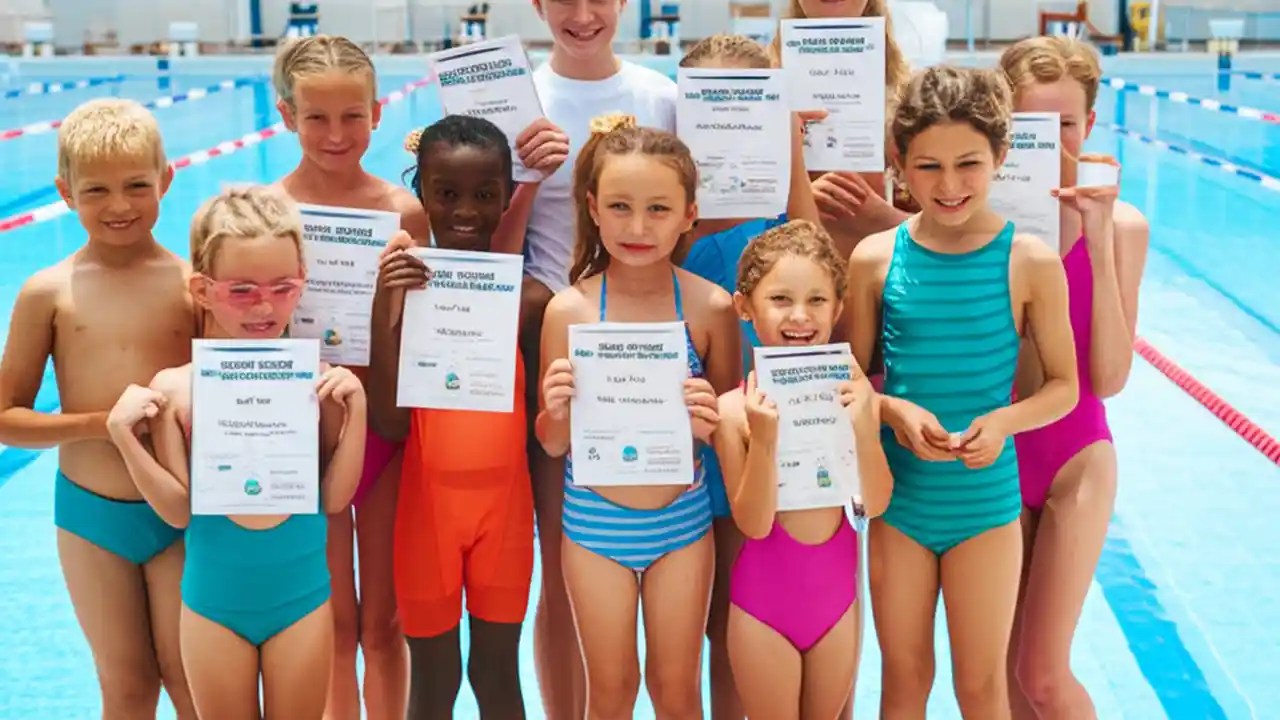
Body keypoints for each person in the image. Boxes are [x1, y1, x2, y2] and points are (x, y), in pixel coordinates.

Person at [844, 65, 1079, 719]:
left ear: (1001, 156)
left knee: (980, 689)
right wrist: (891, 408)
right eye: (928, 167)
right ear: (899, 163)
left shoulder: (1029, 260)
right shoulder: (875, 258)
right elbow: (852, 378)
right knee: (905, 680)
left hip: (985, 506)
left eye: (968, 163)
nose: (949, 186)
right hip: (901, 504)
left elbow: (1064, 386)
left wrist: (1004, 422)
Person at [106, 185, 366, 719]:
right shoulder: (178, 388)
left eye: (283, 287)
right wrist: (123, 437)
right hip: (213, 607)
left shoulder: (317, 382)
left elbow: (335, 500)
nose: (265, 306)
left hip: (302, 601)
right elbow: (178, 511)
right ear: (203, 290)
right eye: (242, 290)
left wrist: (356, 409)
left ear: (303, 285)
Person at [536, 114, 740, 718]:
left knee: (677, 690)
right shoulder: (568, 311)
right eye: (621, 207)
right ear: (593, 208)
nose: (638, 226)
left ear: (688, 215)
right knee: (612, 690)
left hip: (682, 525)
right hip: (595, 528)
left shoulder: (709, 305)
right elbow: (551, 445)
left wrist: (714, 421)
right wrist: (554, 410)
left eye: (658, 209)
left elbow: (733, 432)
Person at [0, 98, 197, 719]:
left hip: (182, 514)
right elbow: (7, 417)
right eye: (97, 190)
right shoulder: (47, 293)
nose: (119, 206)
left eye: (138, 185)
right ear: (65, 193)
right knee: (127, 684)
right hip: (91, 517)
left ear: (166, 179)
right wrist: (102, 427)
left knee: (190, 679)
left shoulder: (192, 286)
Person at [366, 114, 559, 719]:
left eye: (484, 194)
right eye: (447, 194)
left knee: (497, 673)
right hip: (426, 518)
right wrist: (382, 304)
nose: (467, 211)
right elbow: (392, 423)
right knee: (435, 681)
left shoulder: (531, 303)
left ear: (508, 195)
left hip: (504, 517)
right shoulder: (404, 288)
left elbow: (543, 432)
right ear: (421, 191)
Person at [520, 3, 681, 714]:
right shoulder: (515, 100)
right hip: (553, 340)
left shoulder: (662, 97)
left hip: (654, 345)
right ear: (537, 6)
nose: (582, 15)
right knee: (560, 566)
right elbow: (468, 235)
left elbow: (694, 208)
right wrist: (525, 178)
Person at [270, 34, 429, 720]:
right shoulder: (267, 213)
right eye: (316, 117)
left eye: (351, 116)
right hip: (307, 442)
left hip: (389, 438)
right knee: (333, 624)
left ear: (377, 113)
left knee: (383, 624)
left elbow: (433, 337)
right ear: (285, 116)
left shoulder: (404, 213)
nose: (336, 134)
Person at [675, 32, 826, 720]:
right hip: (703, 434)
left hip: (782, 430)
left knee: (792, 607)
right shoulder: (678, 214)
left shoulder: (776, 211)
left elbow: (816, 251)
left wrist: (790, 144)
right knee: (720, 619)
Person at [1000, 36, 1150, 720]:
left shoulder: (1123, 226)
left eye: (1063, 124)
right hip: (997, 457)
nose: (1049, 141)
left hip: (1076, 457)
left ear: (1088, 125)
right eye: (1028, 126)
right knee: (1005, 677)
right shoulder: (976, 222)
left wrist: (1092, 235)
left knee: (1044, 675)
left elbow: (1111, 378)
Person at [713, 219, 894, 719]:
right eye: (780, 299)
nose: (800, 315)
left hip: (837, 605)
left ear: (838, 308)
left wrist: (862, 424)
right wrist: (764, 439)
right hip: (762, 608)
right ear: (745, 306)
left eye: (817, 300)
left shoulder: (855, 397)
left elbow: (874, 504)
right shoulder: (734, 412)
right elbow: (753, 523)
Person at [772, 0, 915, 257]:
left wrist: (882, 216)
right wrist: (795, 201)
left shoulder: (912, 97)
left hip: (885, 272)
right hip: (791, 277)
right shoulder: (758, 85)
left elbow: (954, 225)